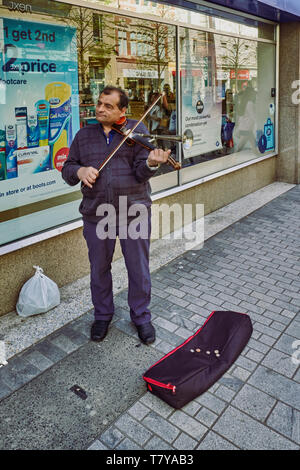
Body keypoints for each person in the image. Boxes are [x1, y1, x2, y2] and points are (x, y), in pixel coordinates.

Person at [61, 86, 170, 344]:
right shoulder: (84, 135)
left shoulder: (137, 131)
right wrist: (80, 172)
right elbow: (67, 168)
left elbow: (141, 172)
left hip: (133, 212)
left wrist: (152, 163)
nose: (100, 109)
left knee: (138, 269)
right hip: (97, 214)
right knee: (99, 268)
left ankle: (141, 317)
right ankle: (102, 315)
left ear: (123, 110)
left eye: (108, 106)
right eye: (100, 103)